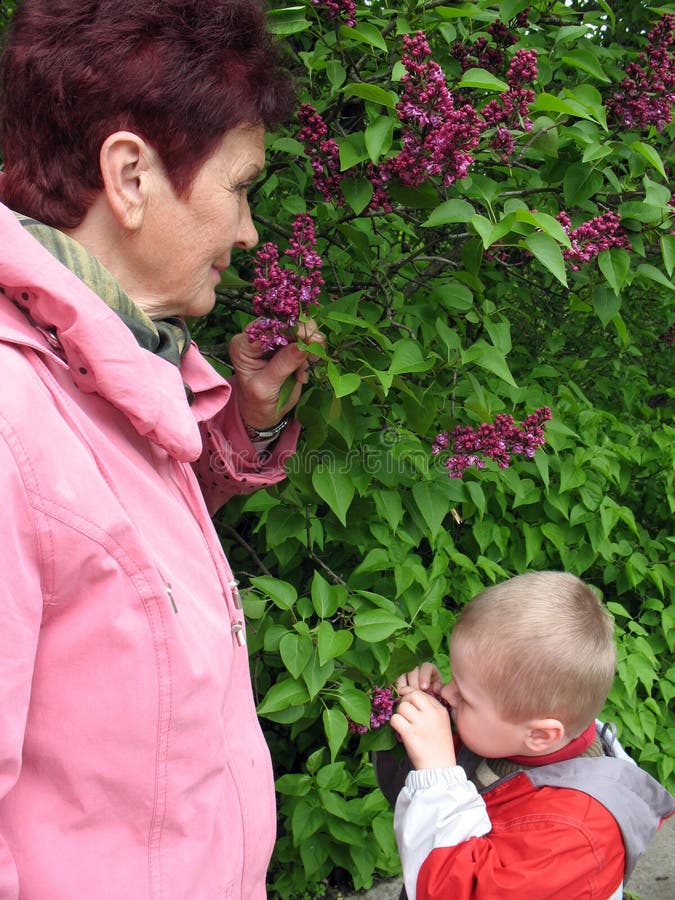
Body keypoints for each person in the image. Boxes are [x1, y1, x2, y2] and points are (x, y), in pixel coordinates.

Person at [0, 1, 322, 896]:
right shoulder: (11, 418)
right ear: (131, 175)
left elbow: (117, 552)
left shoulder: (100, 359)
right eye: (242, 186)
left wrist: (244, 422)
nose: (250, 233)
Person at [387, 571, 675, 900]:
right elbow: (411, 804)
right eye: (453, 679)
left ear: (540, 735)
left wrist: (437, 777)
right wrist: (413, 732)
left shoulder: (576, 836)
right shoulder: (511, 739)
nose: (448, 693)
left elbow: (457, 892)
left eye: (465, 697)